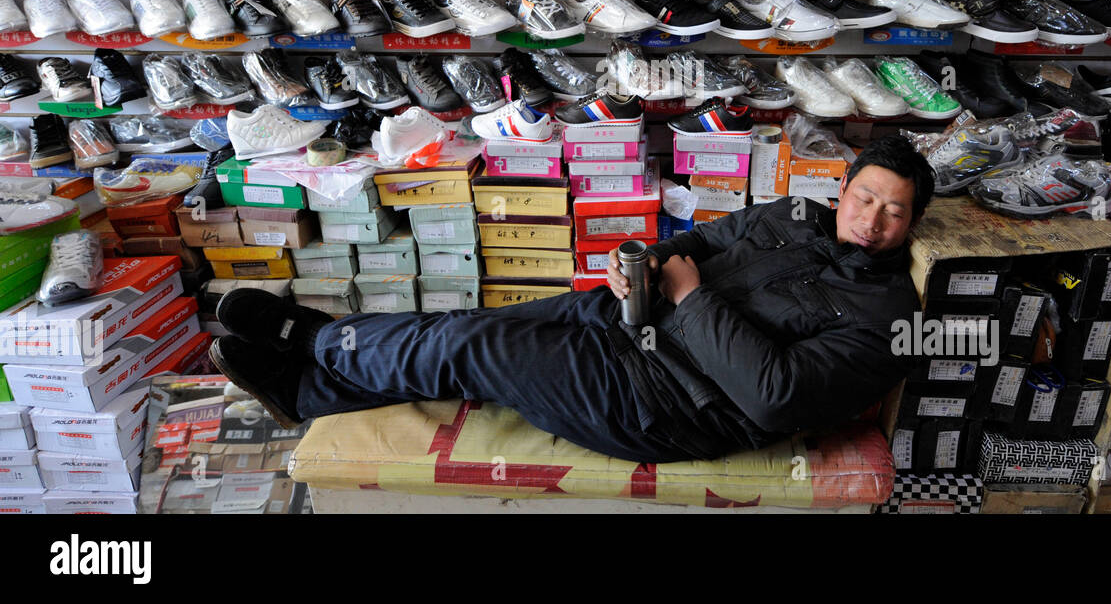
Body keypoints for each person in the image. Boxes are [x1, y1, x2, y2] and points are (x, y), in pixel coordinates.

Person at [212, 135, 933, 464]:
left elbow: (777, 396)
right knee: (464, 324)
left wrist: (687, 299)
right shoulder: (794, 214)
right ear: (844, 188)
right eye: (864, 196)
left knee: (476, 348)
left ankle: (313, 344)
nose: (870, 220)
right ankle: (316, 381)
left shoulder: (890, 318)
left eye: (892, 212)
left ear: (911, 223)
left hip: (666, 405)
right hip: (630, 324)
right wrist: (644, 269)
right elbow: (704, 240)